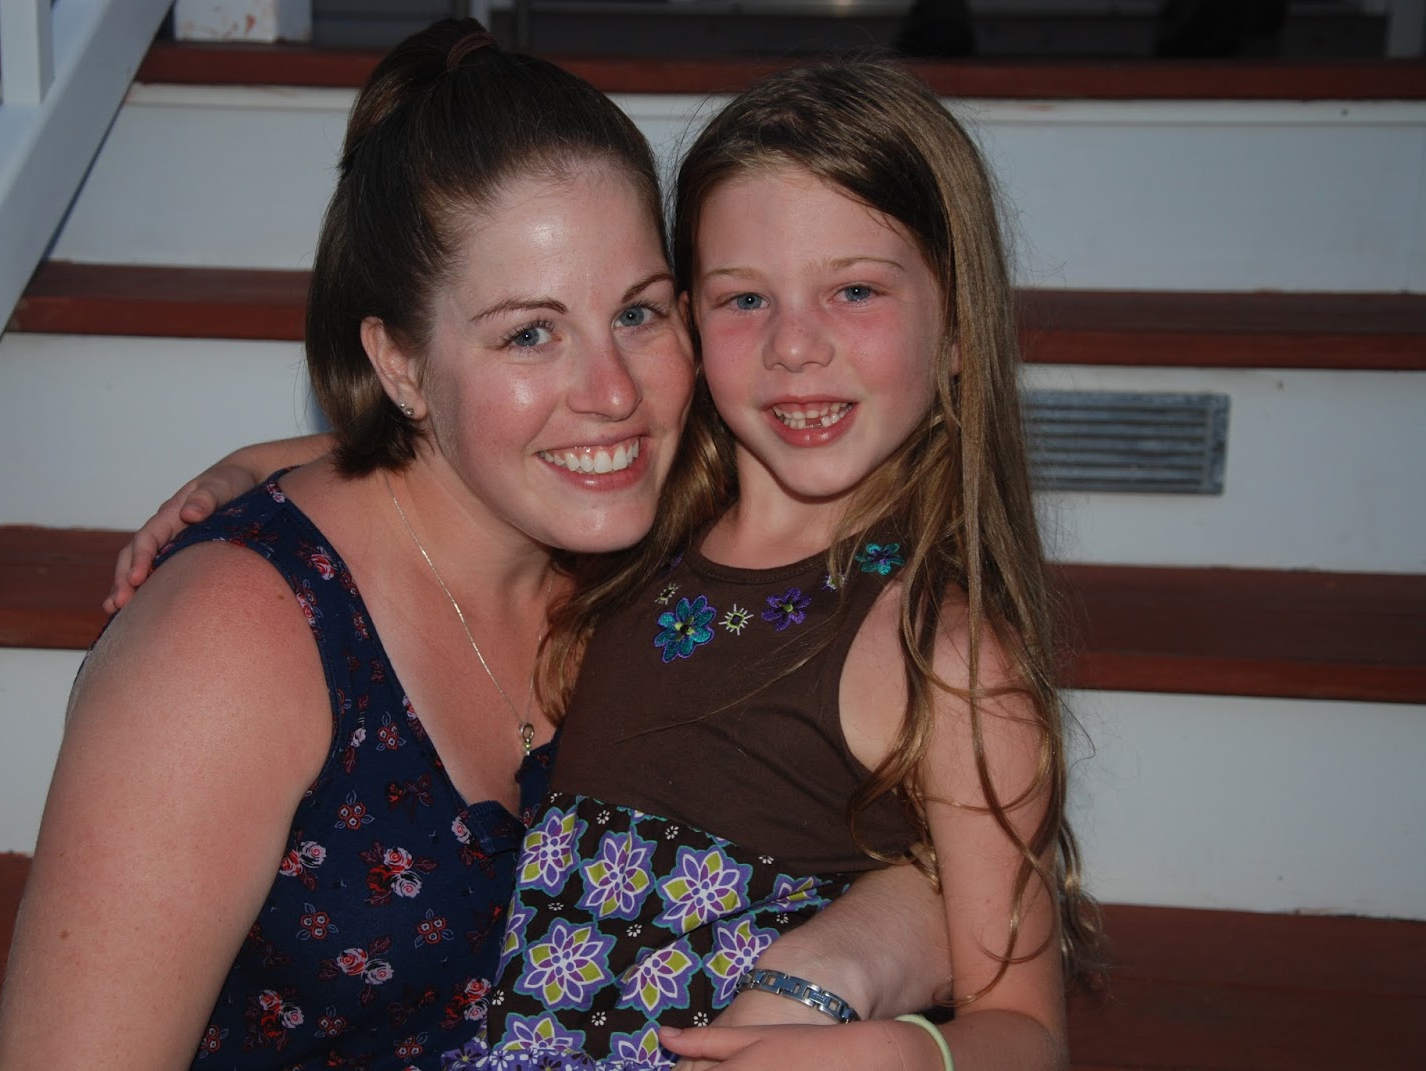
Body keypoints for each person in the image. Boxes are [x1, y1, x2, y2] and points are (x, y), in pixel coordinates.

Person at [113, 51, 1101, 1071]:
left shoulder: (948, 655)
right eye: (741, 300)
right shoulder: (648, 525)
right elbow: (476, 447)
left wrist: (902, 1053)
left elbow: (1023, 1024)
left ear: (956, 332)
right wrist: (255, 467)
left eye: (854, 290)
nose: (795, 348)